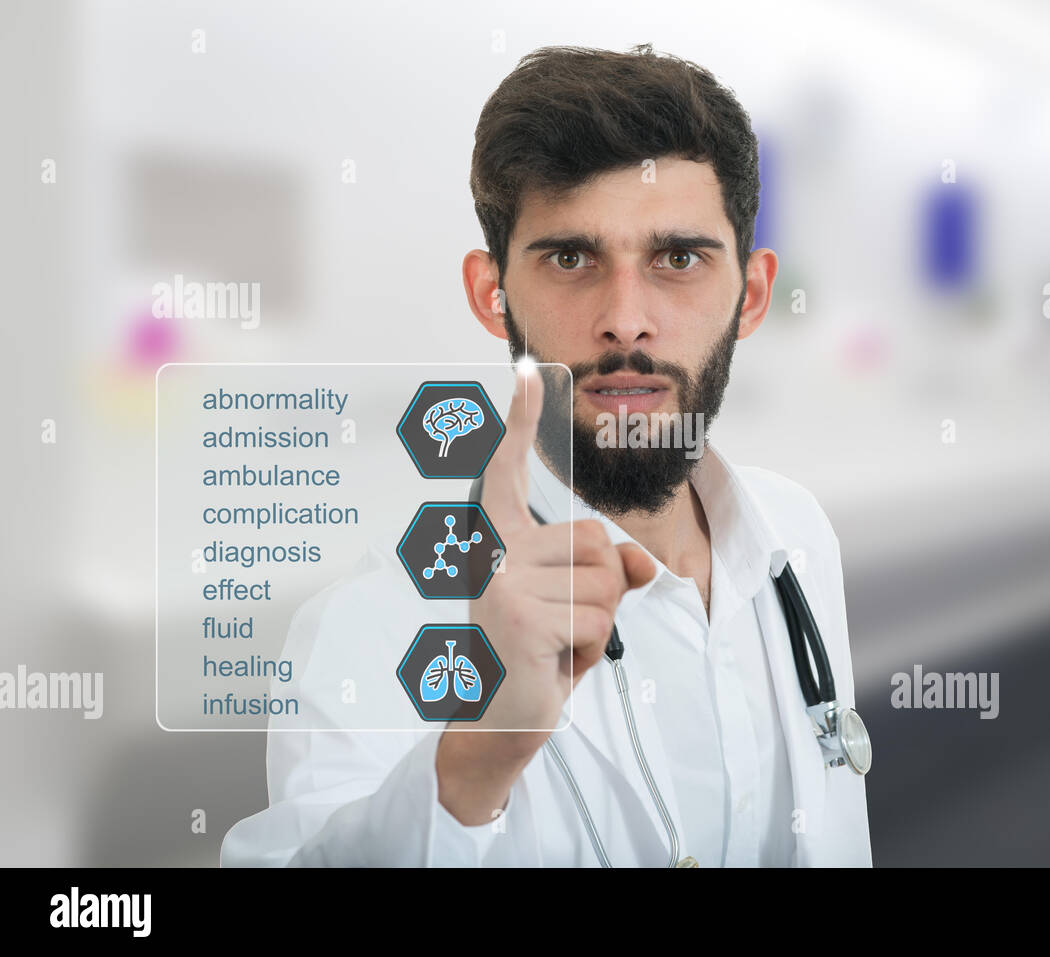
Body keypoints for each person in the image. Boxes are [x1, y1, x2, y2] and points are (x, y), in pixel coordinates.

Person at [221, 43, 871, 867]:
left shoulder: (797, 540)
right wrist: (476, 758)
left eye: (678, 258)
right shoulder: (376, 630)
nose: (626, 319)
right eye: (571, 258)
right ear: (492, 295)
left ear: (751, 294)